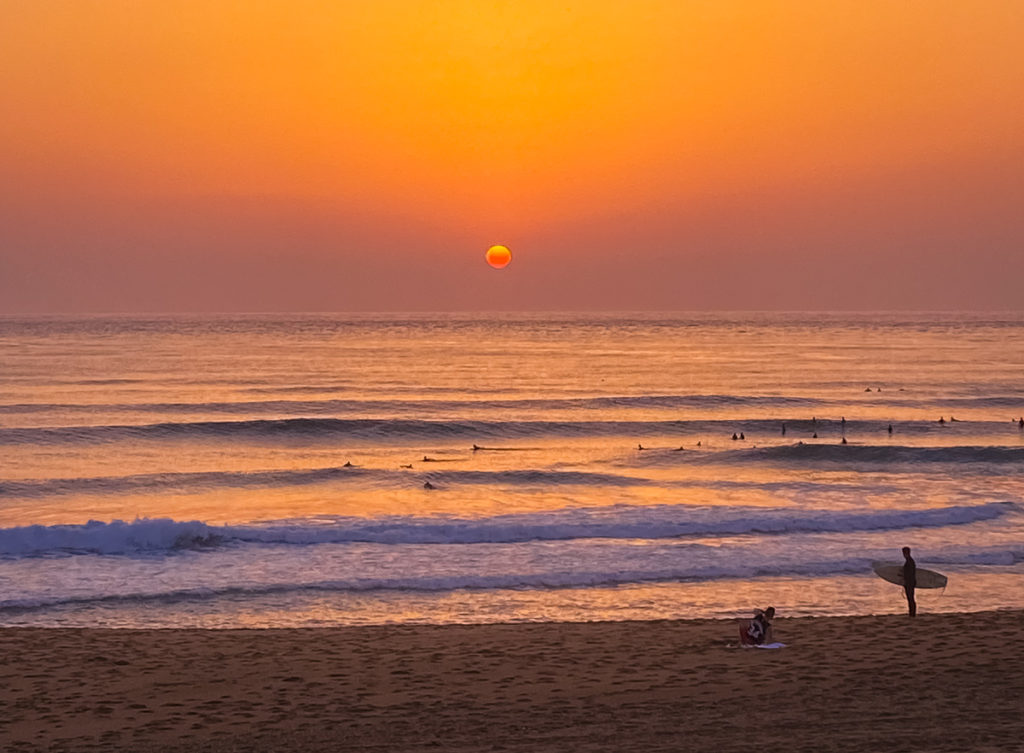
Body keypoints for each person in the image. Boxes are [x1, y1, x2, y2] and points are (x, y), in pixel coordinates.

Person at [902, 546, 917, 617]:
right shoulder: (910, 561)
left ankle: (912, 614)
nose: (903, 554)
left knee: (910, 598)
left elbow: (910, 573)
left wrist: (906, 581)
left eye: (904, 553)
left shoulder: (909, 561)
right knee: (910, 598)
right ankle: (911, 613)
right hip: (910, 582)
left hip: (910, 583)